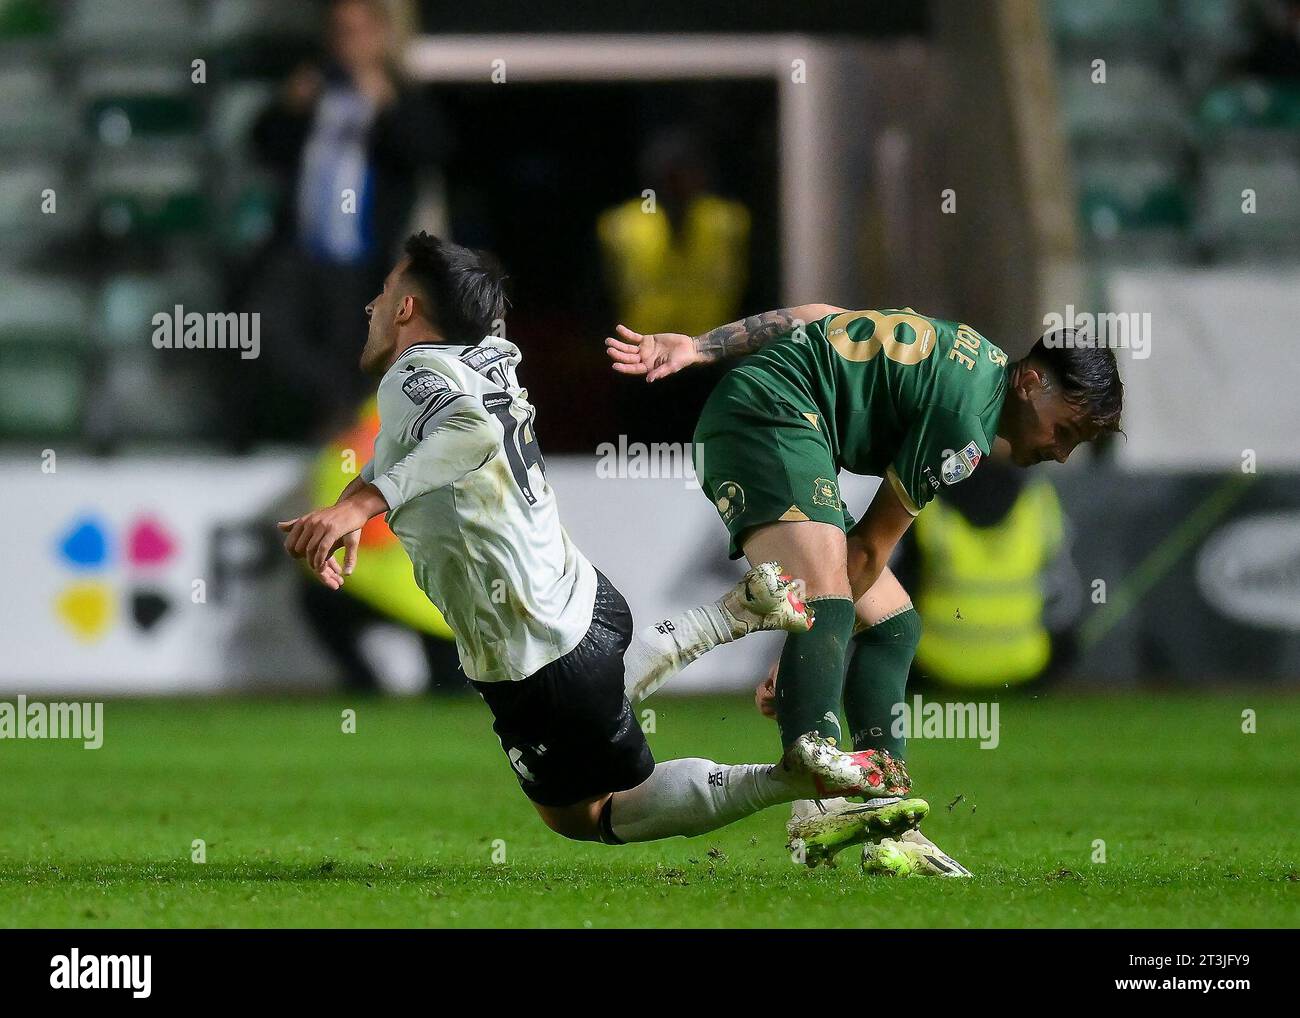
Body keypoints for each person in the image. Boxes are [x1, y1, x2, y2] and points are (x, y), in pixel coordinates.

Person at [278, 234, 926, 848]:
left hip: (534, 649)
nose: (372, 305)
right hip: (587, 605)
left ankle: (775, 753)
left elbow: (469, 436)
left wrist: (361, 505)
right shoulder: (488, 360)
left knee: (585, 814)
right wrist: (352, 501)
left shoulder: (412, 375)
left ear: (408, 308)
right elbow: (441, 434)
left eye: (386, 291)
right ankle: (721, 619)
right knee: (588, 745)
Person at [605, 306, 1124, 873]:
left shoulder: (975, 354)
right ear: (1031, 383)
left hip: (775, 420)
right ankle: (814, 798)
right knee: (829, 599)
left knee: (894, 624)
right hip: (766, 420)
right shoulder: (963, 425)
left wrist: (704, 346)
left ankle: (890, 817)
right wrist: (804, 654)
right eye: (1066, 431)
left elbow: (820, 315)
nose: (1061, 452)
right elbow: (870, 550)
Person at [243, 0, 446, 440]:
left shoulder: (398, 94)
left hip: (361, 258)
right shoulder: (316, 90)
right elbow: (260, 143)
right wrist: (288, 107)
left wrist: (387, 104)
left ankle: (341, 433)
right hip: (301, 248)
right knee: (264, 330)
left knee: (352, 348)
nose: (348, 43)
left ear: (379, 35)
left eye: (358, 32)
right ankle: (339, 408)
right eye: (340, 32)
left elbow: (430, 151)